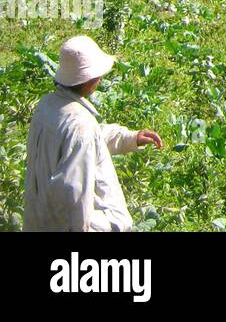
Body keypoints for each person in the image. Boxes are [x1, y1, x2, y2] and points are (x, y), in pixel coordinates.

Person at [24, 36, 163, 232]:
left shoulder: (47, 105)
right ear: (89, 80)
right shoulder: (81, 125)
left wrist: (129, 138)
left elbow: (77, 142)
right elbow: (74, 193)